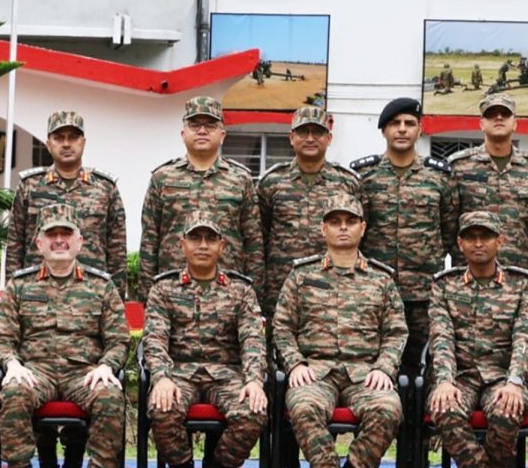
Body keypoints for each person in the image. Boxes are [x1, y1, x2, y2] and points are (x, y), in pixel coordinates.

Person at [5, 110, 128, 468]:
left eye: (74, 136)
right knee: (30, 375)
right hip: (37, 298)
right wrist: (14, 289)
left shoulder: (104, 189)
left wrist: (117, 300)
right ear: (49, 142)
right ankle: (42, 467)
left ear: (83, 142)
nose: (67, 142)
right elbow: (16, 245)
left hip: (90, 304)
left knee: (92, 378)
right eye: (59, 136)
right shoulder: (30, 187)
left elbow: (117, 251)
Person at [271, 195, 408, 468]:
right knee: (303, 408)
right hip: (315, 371)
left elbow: (396, 331)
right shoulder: (301, 276)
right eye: (335, 221)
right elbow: (282, 326)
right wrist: (294, 363)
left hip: (365, 374)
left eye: (350, 221)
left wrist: (384, 367)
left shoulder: (381, 279)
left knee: (389, 409)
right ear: (323, 229)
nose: (343, 227)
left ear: (362, 228)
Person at [0, 205, 131, 468]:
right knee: (14, 393)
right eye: (51, 234)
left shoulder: (101, 286)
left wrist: (107, 366)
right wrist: (13, 365)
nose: (59, 240)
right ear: (39, 244)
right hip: (34, 371)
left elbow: (119, 340)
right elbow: (2, 338)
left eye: (66, 234)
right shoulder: (20, 285)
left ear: (79, 242)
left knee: (110, 397)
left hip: (83, 374)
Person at [141, 216, 268, 468]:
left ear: (222, 246)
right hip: (179, 374)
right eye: (195, 238)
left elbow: (252, 338)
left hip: (226, 375)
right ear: (181, 244)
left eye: (210, 239)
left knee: (254, 411)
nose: (202, 245)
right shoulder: (163, 289)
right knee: (162, 409)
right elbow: (155, 338)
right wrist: (160, 376)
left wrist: (254, 379)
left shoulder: (240, 290)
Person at [428, 211, 528, 468]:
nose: (479, 243)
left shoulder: (521, 285)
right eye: (471, 237)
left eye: (486, 236)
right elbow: (442, 337)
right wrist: (445, 380)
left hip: (502, 379)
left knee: (507, 411)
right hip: (460, 376)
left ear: (500, 242)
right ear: (460, 243)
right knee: (444, 409)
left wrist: (516, 381)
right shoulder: (444, 286)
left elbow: (525, 336)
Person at [353, 97, 459, 382]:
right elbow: (355, 233)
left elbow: (448, 231)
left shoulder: (439, 177)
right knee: (377, 369)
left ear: (420, 129)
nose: (402, 129)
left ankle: (419, 428)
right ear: (384, 131)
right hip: (376, 293)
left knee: (424, 369)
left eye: (409, 123)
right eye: (395, 124)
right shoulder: (364, 176)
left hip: (424, 295)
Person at [140, 95, 264, 294]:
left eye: (210, 125)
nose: (202, 131)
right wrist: (149, 295)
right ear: (183, 133)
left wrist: (254, 295)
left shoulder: (241, 179)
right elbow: (149, 241)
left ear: (222, 135)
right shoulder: (162, 178)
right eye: (194, 125)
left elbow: (253, 243)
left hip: (228, 293)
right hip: (173, 291)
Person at [257, 105, 360, 315]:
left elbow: (358, 233)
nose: (310, 138)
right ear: (291, 137)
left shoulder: (347, 183)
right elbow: (260, 235)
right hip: (281, 286)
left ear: (329, 138)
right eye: (304, 132)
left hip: (334, 287)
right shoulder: (272, 182)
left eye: (318, 132)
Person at [448, 93, 528, 277]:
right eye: (491, 114)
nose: (499, 118)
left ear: (515, 123)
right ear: (481, 123)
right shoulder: (459, 166)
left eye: (505, 114)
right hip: (469, 274)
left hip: (520, 273)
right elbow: (448, 223)